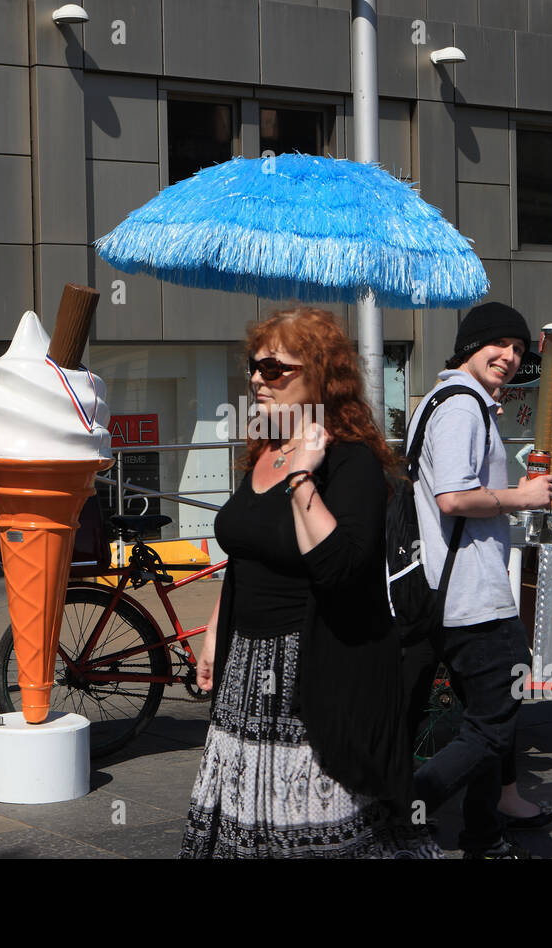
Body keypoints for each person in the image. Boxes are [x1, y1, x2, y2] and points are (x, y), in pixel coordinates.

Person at [180, 307, 438, 858]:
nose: (257, 378)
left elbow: (341, 568)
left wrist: (303, 474)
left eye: (276, 368)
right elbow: (245, 556)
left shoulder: (351, 463)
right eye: (255, 366)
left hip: (315, 664)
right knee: (246, 813)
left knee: (310, 817)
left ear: (321, 376)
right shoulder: (263, 450)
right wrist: (213, 631)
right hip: (247, 662)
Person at [403, 301, 552, 859]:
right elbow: (454, 497)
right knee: (494, 721)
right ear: (471, 345)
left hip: (447, 590)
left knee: (485, 716)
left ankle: (484, 834)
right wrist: (522, 496)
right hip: (470, 595)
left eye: (519, 350)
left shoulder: (441, 401)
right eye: (501, 345)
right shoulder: (463, 406)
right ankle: (407, 808)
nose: (511, 357)